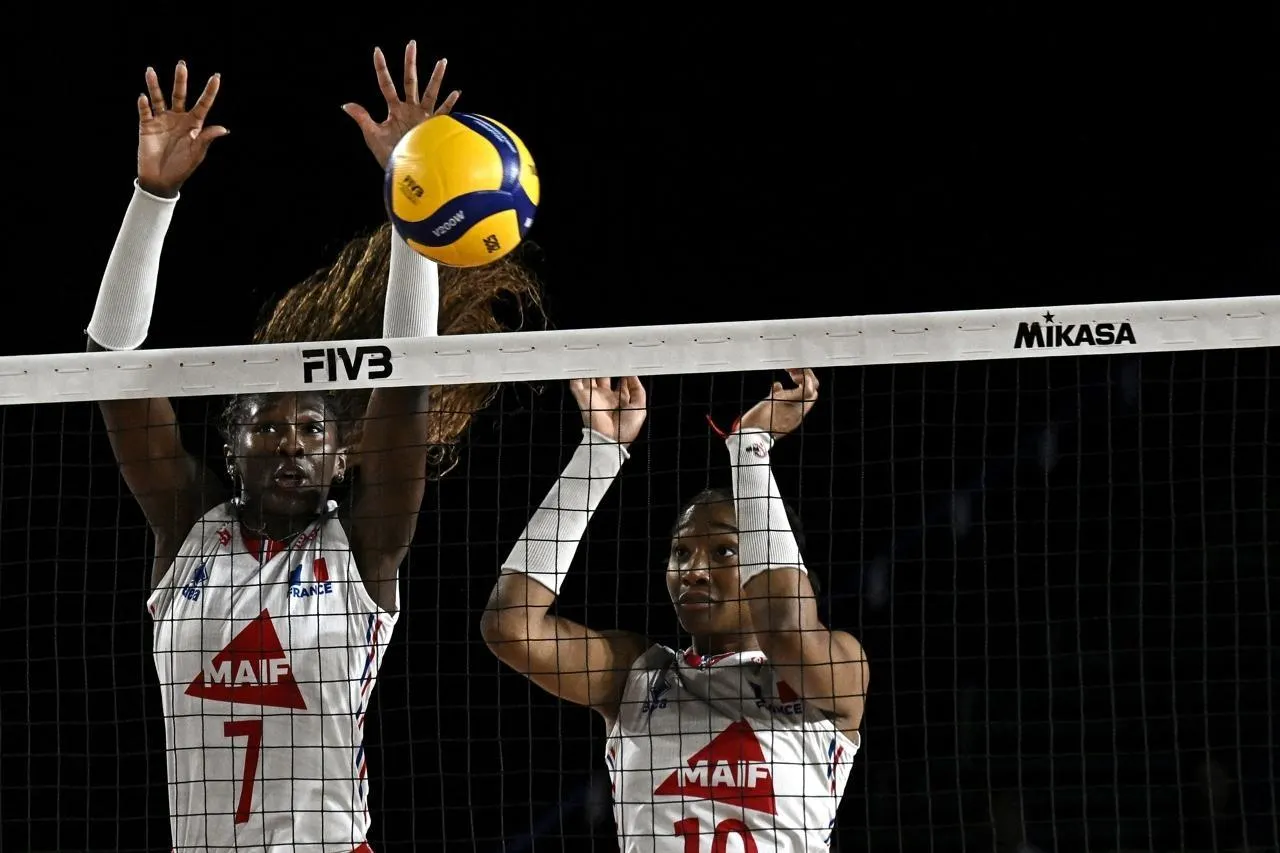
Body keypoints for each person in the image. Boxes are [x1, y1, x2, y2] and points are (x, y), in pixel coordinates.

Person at [85, 43, 541, 852]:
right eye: (265, 425)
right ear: (231, 446)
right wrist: (151, 198)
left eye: (311, 429)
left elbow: (404, 381)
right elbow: (112, 371)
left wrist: (414, 206)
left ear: (344, 455)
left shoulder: (364, 551)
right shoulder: (189, 532)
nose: (288, 442)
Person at [481, 369, 870, 852]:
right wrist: (598, 452)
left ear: (779, 570)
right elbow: (510, 627)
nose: (694, 570)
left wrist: (750, 446)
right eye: (680, 553)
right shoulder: (637, 675)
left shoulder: (838, 667)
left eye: (725, 552)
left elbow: (786, 628)